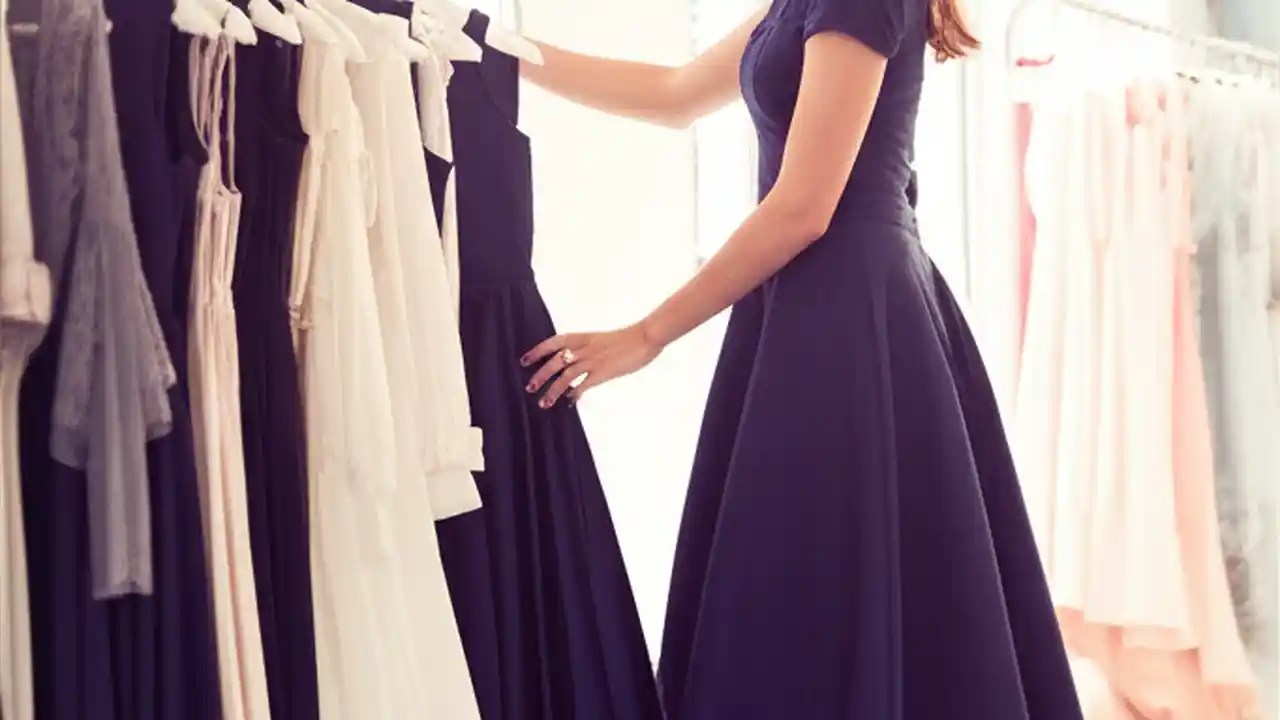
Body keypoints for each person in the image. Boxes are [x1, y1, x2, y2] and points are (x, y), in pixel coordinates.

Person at [520, 1, 1084, 717]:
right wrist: (499, 48)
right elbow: (673, 95)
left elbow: (805, 207)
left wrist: (647, 333)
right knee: (809, 581)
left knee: (822, 579)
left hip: (847, 317)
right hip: (809, 310)